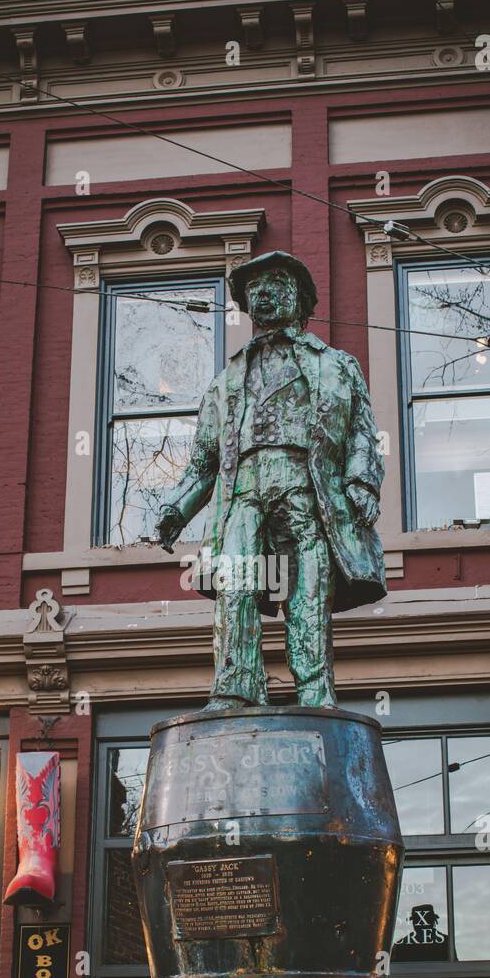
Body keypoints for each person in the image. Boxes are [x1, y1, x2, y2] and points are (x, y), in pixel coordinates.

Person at [156, 251, 386, 709]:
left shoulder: (337, 366)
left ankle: (316, 696)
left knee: (308, 598)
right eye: (253, 288)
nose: (263, 293)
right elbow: (204, 463)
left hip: (309, 496)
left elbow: (362, 434)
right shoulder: (224, 383)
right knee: (235, 587)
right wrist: (174, 509)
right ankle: (234, 690)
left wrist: (362, 483)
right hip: (244, 498)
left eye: (276, 282)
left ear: (300, 297)